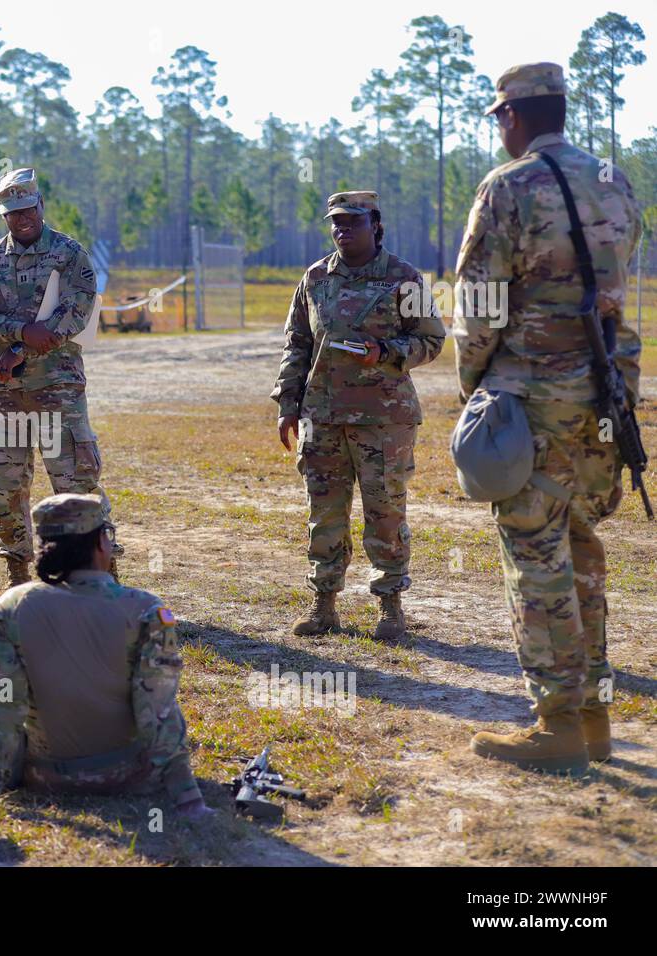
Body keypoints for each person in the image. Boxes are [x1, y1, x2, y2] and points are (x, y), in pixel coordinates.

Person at [456, 63, 642, 774]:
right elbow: (620, 287)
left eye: (500, 115)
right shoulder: (613, 182)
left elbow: (479, 307)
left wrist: (474, 384)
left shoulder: (508, 188)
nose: (500, 127)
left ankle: (558, 722)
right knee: (584, 554)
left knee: (535, 561)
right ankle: (592, 715)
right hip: (603, 402)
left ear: (517, 116)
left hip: (531, 406)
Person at [0, 493, 210, 822]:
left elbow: (1, 711)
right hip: (132, 775)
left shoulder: (8, 609)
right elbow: (157, 711)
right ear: (101, 542)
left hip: (41, 777)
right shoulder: (145, 609)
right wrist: (187, 797)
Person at [271, 191, 446, 641]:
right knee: (324, 514)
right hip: (322, 416)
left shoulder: (402, 278)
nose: (343, 229)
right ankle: (324, 605)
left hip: (383, 419)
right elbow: (297, 344)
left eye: (353, 221)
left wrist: (385, 352)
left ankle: (391, 606)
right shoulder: (315, 277)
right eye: (336, 222)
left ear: (375, 225)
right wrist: (287, 405)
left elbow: (430, 340)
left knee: (384, 512)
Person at [0, 167, 118, 591]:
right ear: (2, 215)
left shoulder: (69, 254)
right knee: (5, 491)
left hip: (58, 391)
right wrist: (21, 332)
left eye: (28, 208)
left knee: (77, 487)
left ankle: (101, 576)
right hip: (4, 394)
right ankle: (17, 579)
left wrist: (18, 350)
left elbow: (75, 313)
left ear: (41, 205)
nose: (22, 217)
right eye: (13, 212)